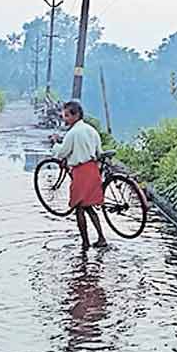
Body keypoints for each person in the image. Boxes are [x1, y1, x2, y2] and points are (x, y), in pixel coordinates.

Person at [49, 101, 108, 250]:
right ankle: (101, 238)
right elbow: (98, 151)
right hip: (92, 170)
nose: (65, 119)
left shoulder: (73, 133)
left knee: (79, 208)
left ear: (76, 116)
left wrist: (55, 144)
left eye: (67, 115)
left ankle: (85, 242)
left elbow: (62, 152)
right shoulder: (91, 130)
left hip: (81, 172)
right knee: (88, 207)